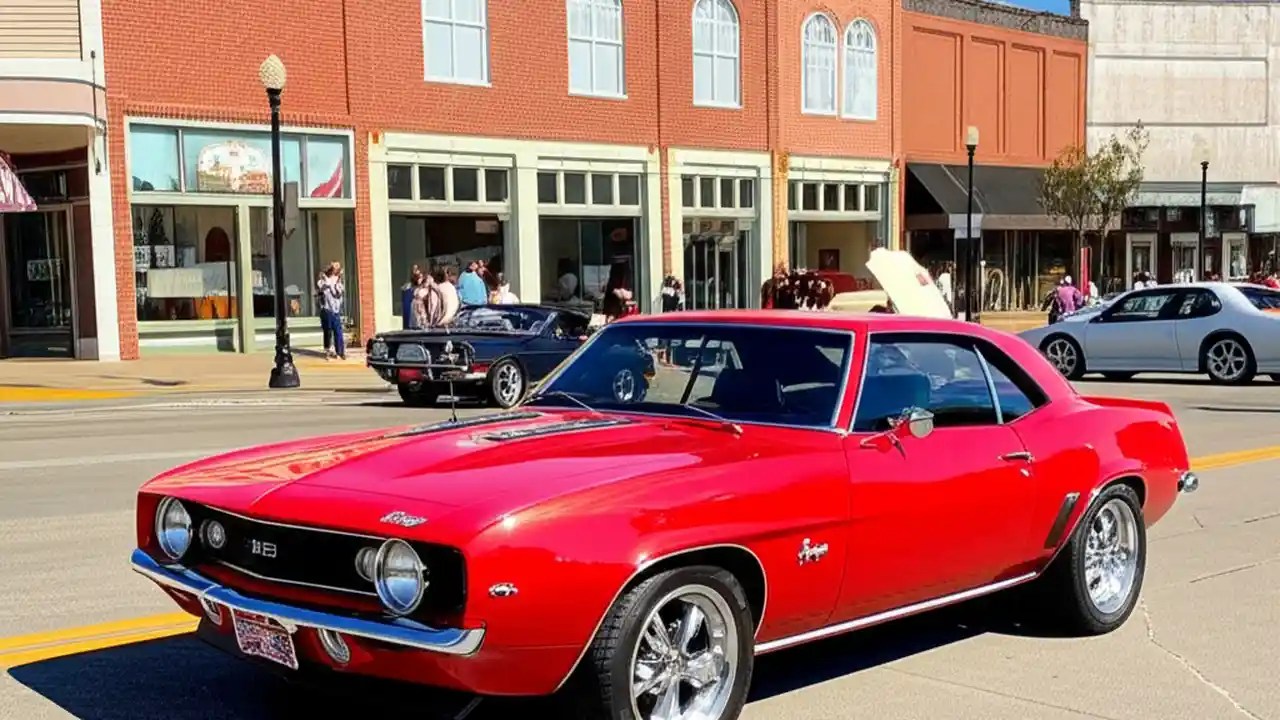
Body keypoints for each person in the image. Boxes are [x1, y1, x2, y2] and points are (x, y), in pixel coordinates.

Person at [318, 261, 346, 360]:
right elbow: (321, 288)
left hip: (335, 310)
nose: (336, 271)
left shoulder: (338, 282)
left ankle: (340, 352)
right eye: (334, 268)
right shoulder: (323, 280)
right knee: (328, 331)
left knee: (338, 331)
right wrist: (327, 283)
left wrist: (336, 284)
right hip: (327, 309)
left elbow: (339, 293)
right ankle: (327, 350)